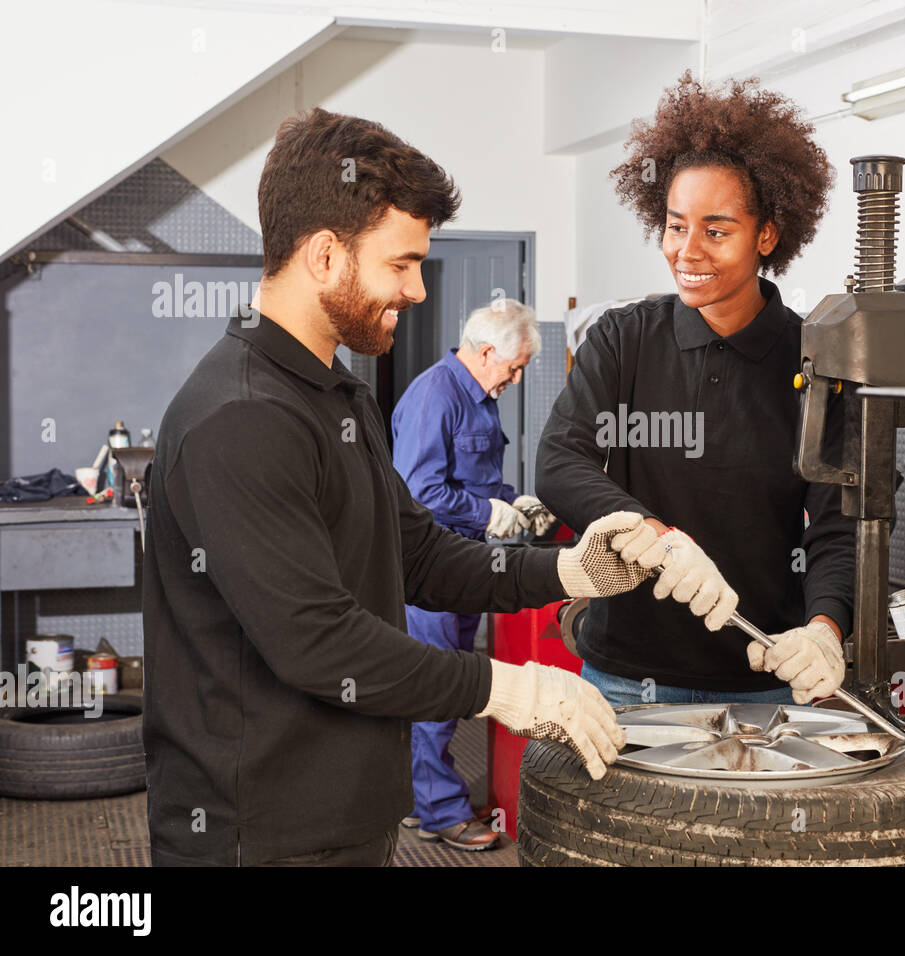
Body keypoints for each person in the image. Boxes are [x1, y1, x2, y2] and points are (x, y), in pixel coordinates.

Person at [141, 107, 661, 867]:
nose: (418, 289)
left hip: (349, 813)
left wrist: (568, 569)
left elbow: (415, 553)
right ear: (325, 255)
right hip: (258, 836)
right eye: (401, 263)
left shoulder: (338, 396)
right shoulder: (240, 418)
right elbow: (319, 643)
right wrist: (510, 689)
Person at [536, 72, 856, 706]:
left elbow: (838, 525)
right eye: (675, 226)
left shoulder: (816, 362)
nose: (688, 251)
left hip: (762, 684)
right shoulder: (623, 340)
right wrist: (654, 535)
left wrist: (825, 631)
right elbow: (560, 461)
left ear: (766, 236)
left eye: (716, 230)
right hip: (626, 678)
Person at [390, 298, 555, 850]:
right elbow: (418, 492)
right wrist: (489, 514)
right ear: (487, 352)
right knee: (439, 687)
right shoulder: (434, 395)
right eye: (514, 367)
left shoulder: (481, 398)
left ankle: (422, 799)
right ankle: (440, 811)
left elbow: (477, 482)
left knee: (454, 683)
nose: (517, 377)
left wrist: (516, 500)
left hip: (465, 564)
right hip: (430, 566)